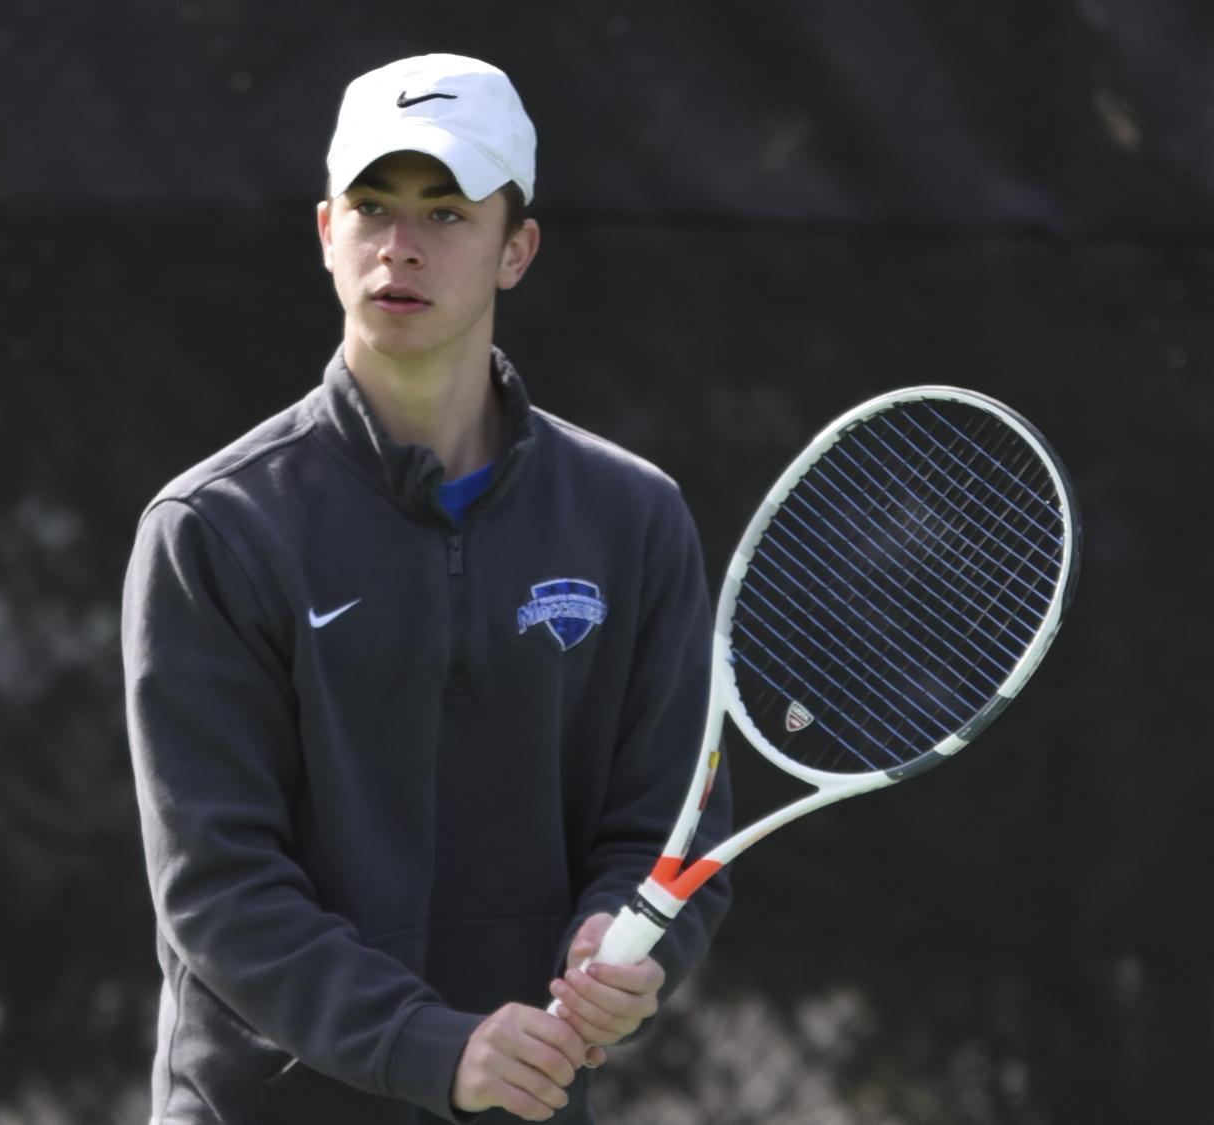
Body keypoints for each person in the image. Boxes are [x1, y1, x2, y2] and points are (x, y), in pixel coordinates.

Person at [121, 54, 730, 1125]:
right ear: (324, 232)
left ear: (516, 249)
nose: (399, 246)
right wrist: (433, 1049)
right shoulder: (211, 531)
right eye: (371, 206)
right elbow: (219, 891)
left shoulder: (632, 520)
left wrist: (628, 943)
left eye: (446, 211)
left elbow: (665, 836)